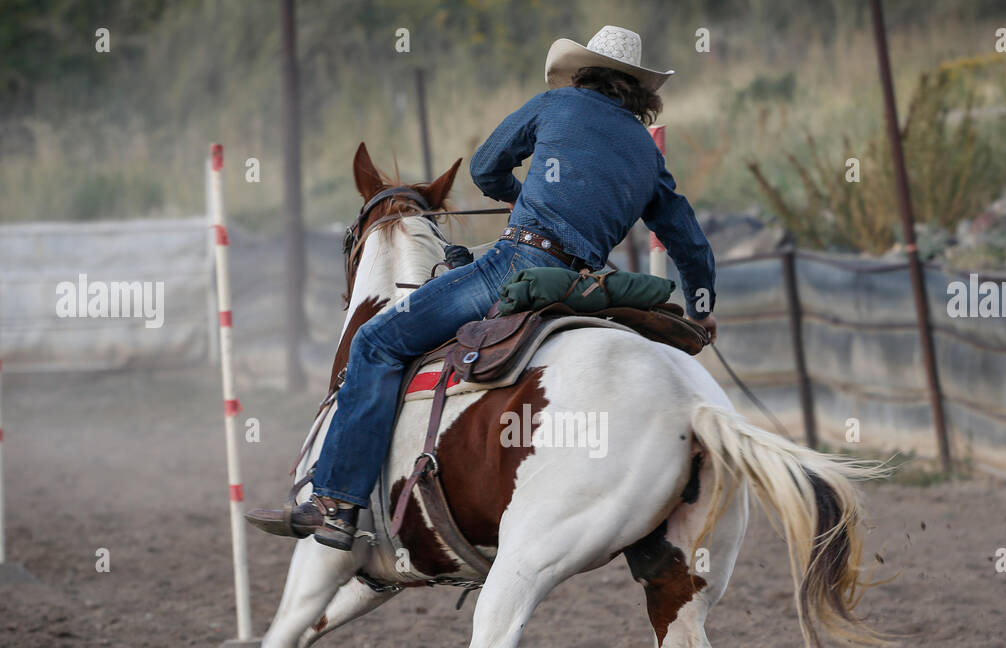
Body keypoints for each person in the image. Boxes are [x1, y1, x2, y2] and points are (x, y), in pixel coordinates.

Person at [247, 25, 717, 550]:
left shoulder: (555, 104)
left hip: (517, 263)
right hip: (586, 280)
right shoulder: (648, 155)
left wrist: (519, 196)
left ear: (583, 73)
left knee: (376, 342)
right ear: (640, 92)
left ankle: (336, 502)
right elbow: (690, 243)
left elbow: (485, 167)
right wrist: (700, 309)